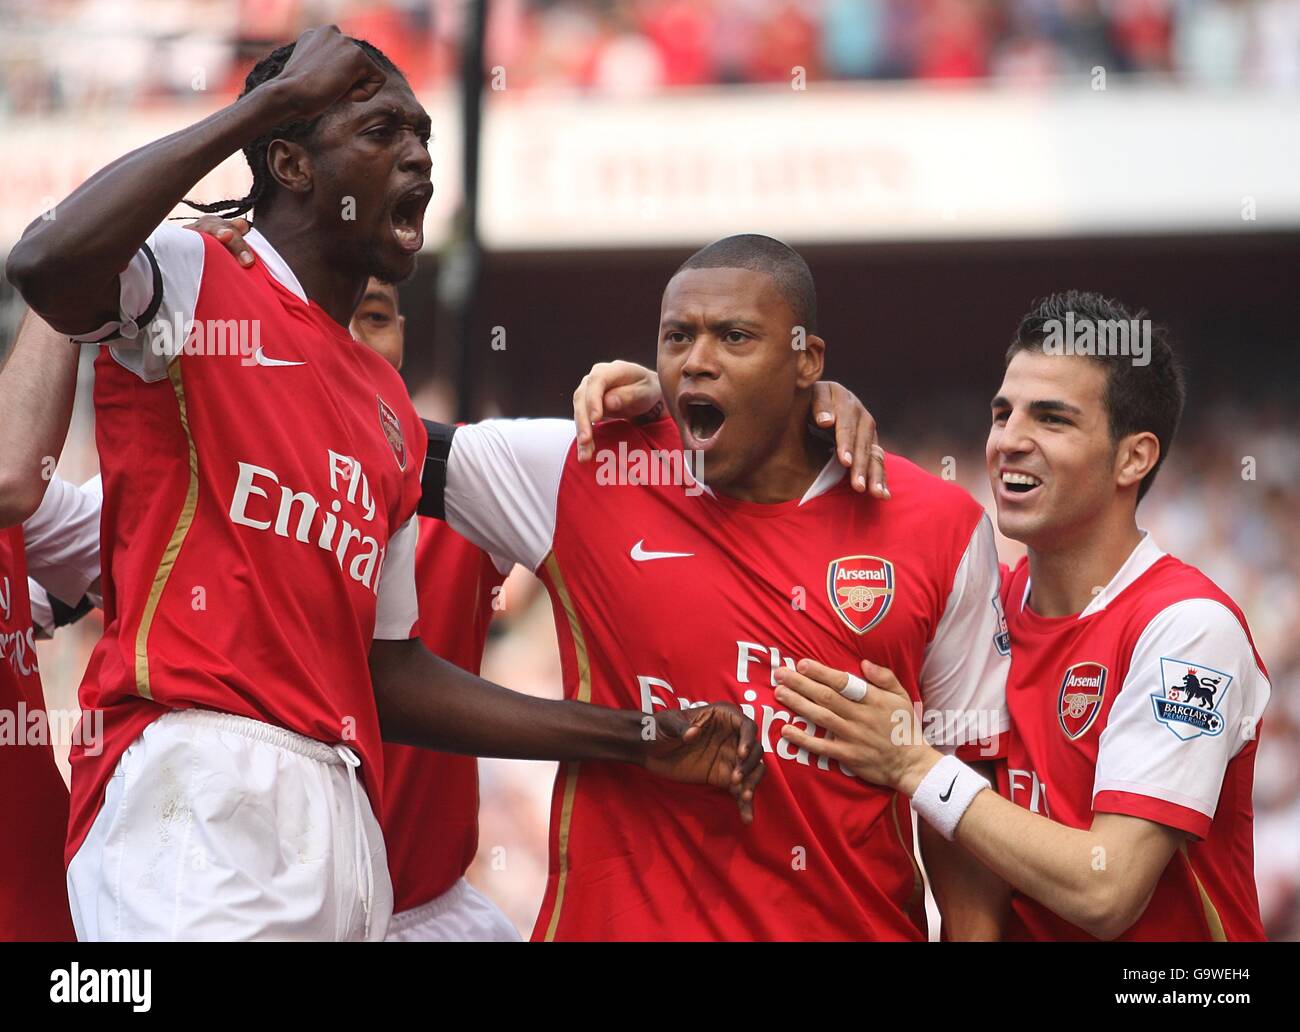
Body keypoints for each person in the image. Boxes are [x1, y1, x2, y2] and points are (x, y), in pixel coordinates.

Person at [3, 28, 761, 941]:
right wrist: (263, 105)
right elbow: (48, 265)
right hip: (196, 789)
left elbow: (390, 673)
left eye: (424, 136)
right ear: (290, 162)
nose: (418, 158)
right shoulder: (197, 273)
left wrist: (638, 738)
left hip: (342, 812)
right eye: (381, 132)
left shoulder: (386, 409)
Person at [193, 217, 883, 941]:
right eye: (678, 340)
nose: (340, 339)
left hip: (419, 915)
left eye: (372, 317)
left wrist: (785, 408)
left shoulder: (484, 482)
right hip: (234, 899)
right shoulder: (179, 486)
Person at [419, 233, 1012, 940]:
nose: (698, 360)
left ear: (807, 361)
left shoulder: (940, 527)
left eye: (735, 337)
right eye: (678, 337)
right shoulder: (584, 467)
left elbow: (964, 801)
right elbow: (360, 437)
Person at [774, 291, 1271, 941]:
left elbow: (1106, 889)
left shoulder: (1187, 630)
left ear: (1134, 457)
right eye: (1002, 413)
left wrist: (915, 765)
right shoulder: (976, 608)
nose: (1010, 441)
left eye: (1052, 420)